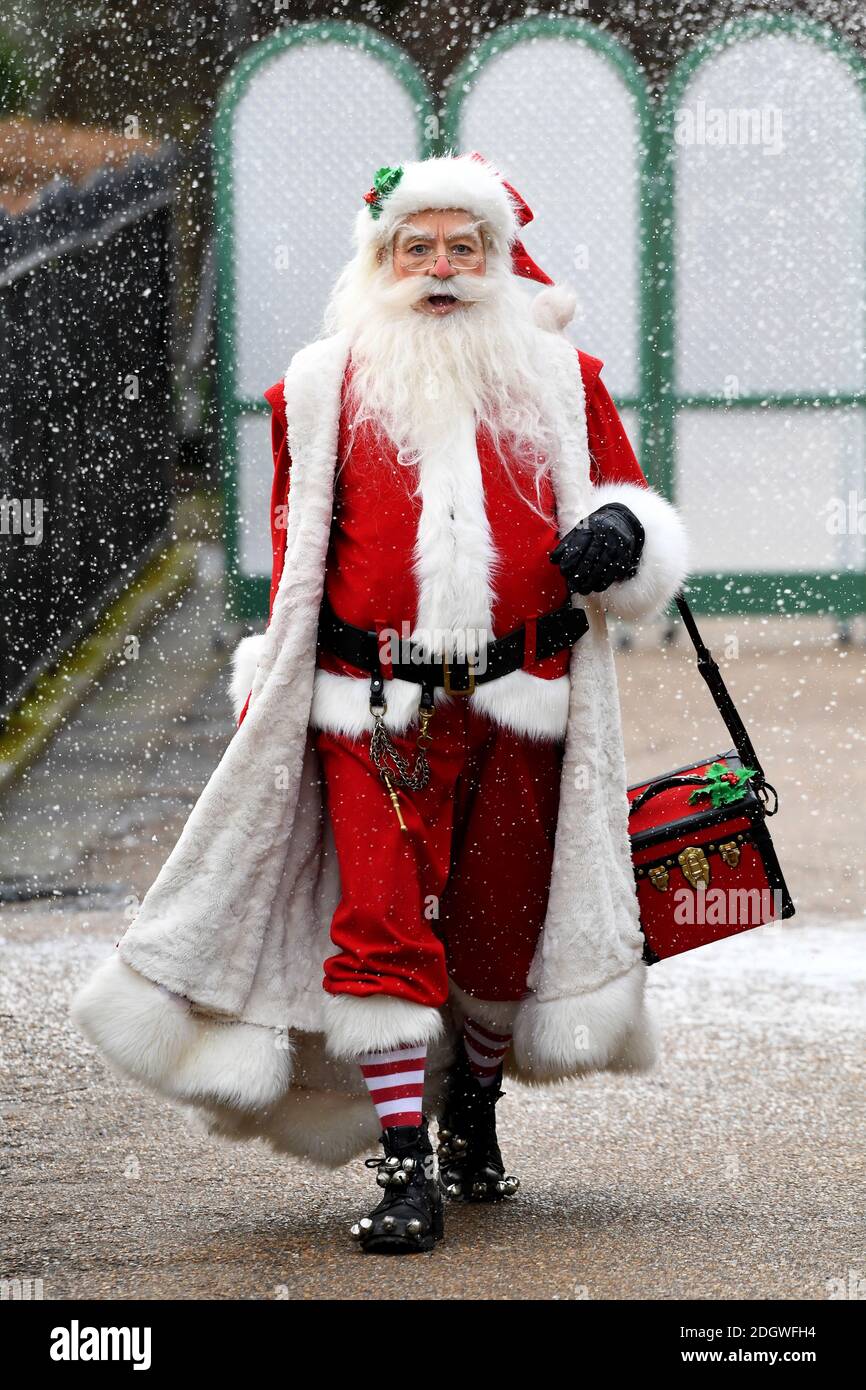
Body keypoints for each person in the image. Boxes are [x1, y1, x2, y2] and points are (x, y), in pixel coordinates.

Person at [72, 153, 689, 1257]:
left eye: (464, 248)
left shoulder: (559, 377)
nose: (441, 269)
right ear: (380, 259)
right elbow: (295, 551)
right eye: (418, 248)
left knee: (502, 932)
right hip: (371, 708)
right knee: (380, 922)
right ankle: (404, 1165)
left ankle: (473, 1112)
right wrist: (279, 676)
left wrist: (621, 535)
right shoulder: (320, 385)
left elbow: (626, 497)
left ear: (498, 261)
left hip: (528, 697)